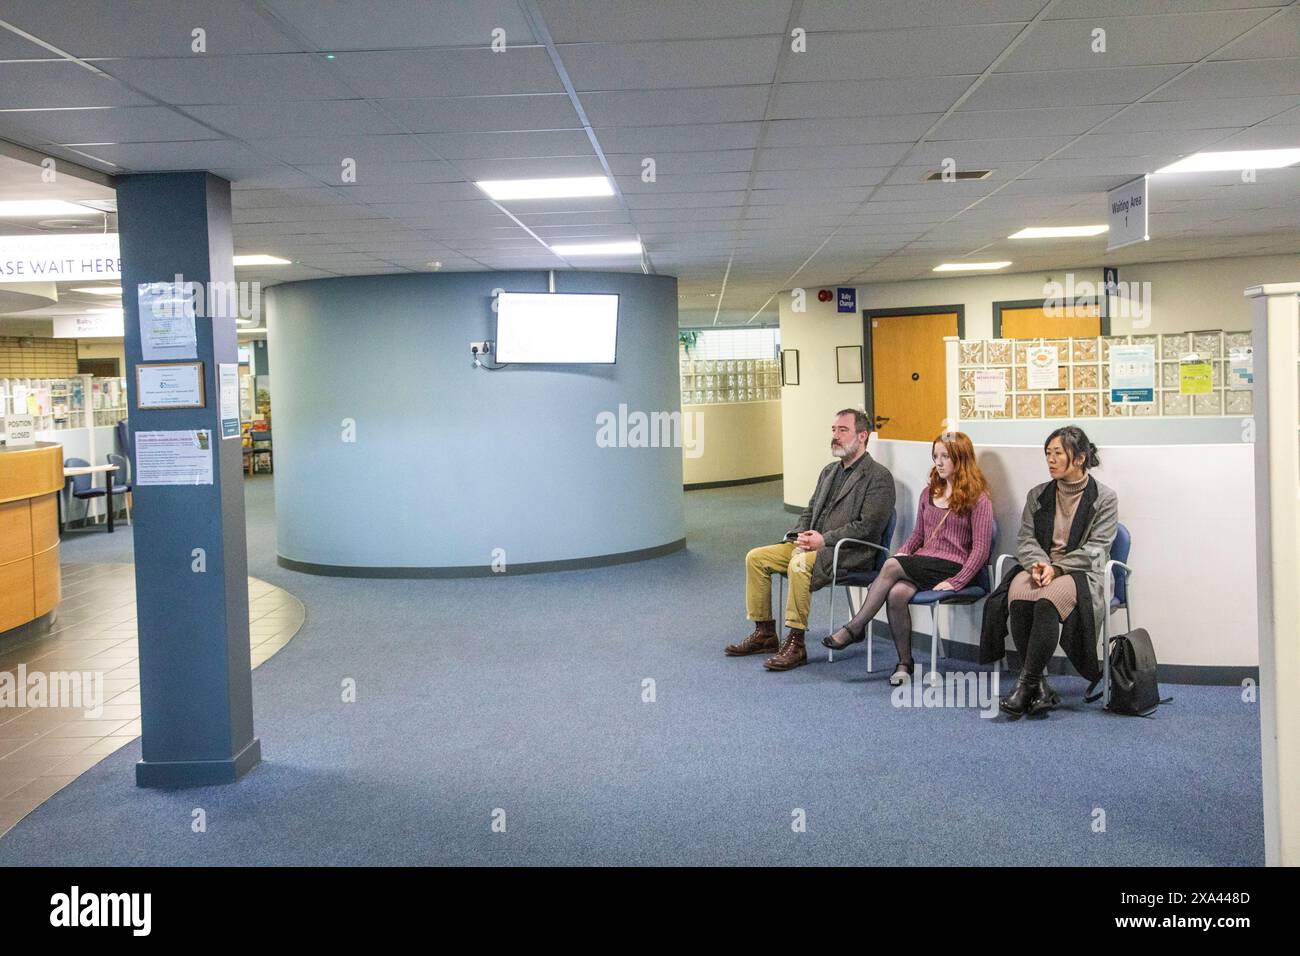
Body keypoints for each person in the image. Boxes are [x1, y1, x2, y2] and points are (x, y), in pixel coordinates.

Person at [725, 408, 895, 672]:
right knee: (756, 557)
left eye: (843, 430)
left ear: (862, 436)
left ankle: (796, 643)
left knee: (799, 565)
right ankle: (765, 633)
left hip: (849, 552)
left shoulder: (878, 477)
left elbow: (868, 528)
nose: (835, 436)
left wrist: (823, 540)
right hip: (812, 545)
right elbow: (810, 510)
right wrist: (799, 536)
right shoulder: (829, 471)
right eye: (834, 430)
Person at [823, 431, 993, 685]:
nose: (939, 462)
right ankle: (905, 663)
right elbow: (918, 535)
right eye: (936, 456)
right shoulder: (929, 493)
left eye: (946, 456)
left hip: (953, 566)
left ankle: (855, 627)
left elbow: (980, 550)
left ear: (961, 459)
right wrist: (904, 552)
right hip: (926, 563)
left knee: (891, 564)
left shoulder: (978, 499)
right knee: (896, 593)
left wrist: (958, 581)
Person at [979, 425, 1118, 718]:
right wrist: (1039, 565)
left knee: (1045, 603)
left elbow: (1097, 549)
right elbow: (1025, 539)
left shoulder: (1104, 498)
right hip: (1040, 566)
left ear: (1079, 458)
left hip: (1082, 573)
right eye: (1048, 454)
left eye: (1058, 453)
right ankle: (1040, 685)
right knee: (1017, 597)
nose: (1050, 460)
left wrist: (1057, 568)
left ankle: (1025, 684)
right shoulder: (1038, 495)